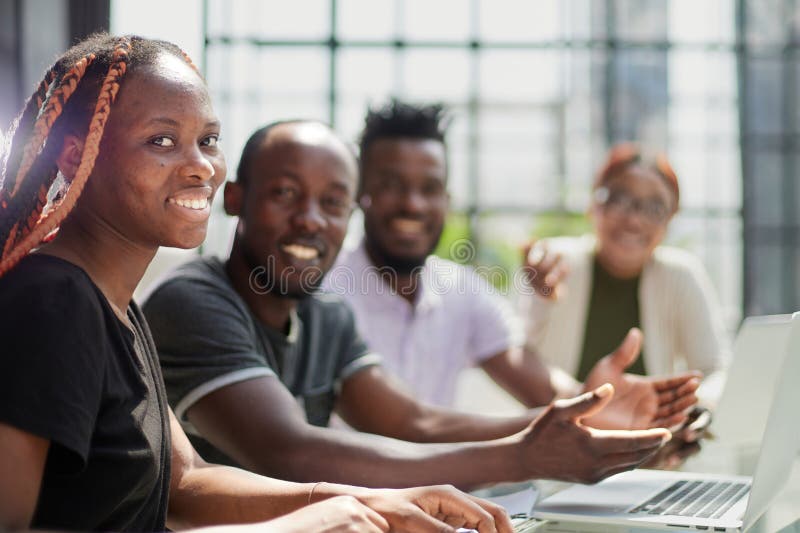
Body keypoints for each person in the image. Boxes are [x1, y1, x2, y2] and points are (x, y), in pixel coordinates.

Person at [0, 33, 515, 533]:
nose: (201, 166)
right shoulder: (53, 301)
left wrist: (371, 503)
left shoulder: (119, 306)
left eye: (208, 141)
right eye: (162, 140)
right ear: (73, 157)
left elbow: (187, 483)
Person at [142, 118, 696, 492]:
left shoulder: (323, 315)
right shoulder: (193, 302)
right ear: (234, 200)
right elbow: (290, 452)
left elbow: (415, 420)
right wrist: (524, 455)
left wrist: (574, 420)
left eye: (331, 202)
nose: (311, 219)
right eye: (286, 194)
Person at [324, 100, 700, 417]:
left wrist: (602, 404)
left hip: (438, 498)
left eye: (430, 188)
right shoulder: (322, 292)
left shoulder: (461, 292)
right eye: (391, 186)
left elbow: (537, 381)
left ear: (448, 200)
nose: (412, 204)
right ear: (360, 193)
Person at [519, 143, 730, 408]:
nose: (634, 220)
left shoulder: (681, 275)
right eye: (619, 199)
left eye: (654, 208)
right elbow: (522, 353)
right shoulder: (558, 264)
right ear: (594, 204)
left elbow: (715, 370)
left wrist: (683, 407)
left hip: (653, 442)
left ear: (669, 220)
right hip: (563, 435)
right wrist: (542, 296)